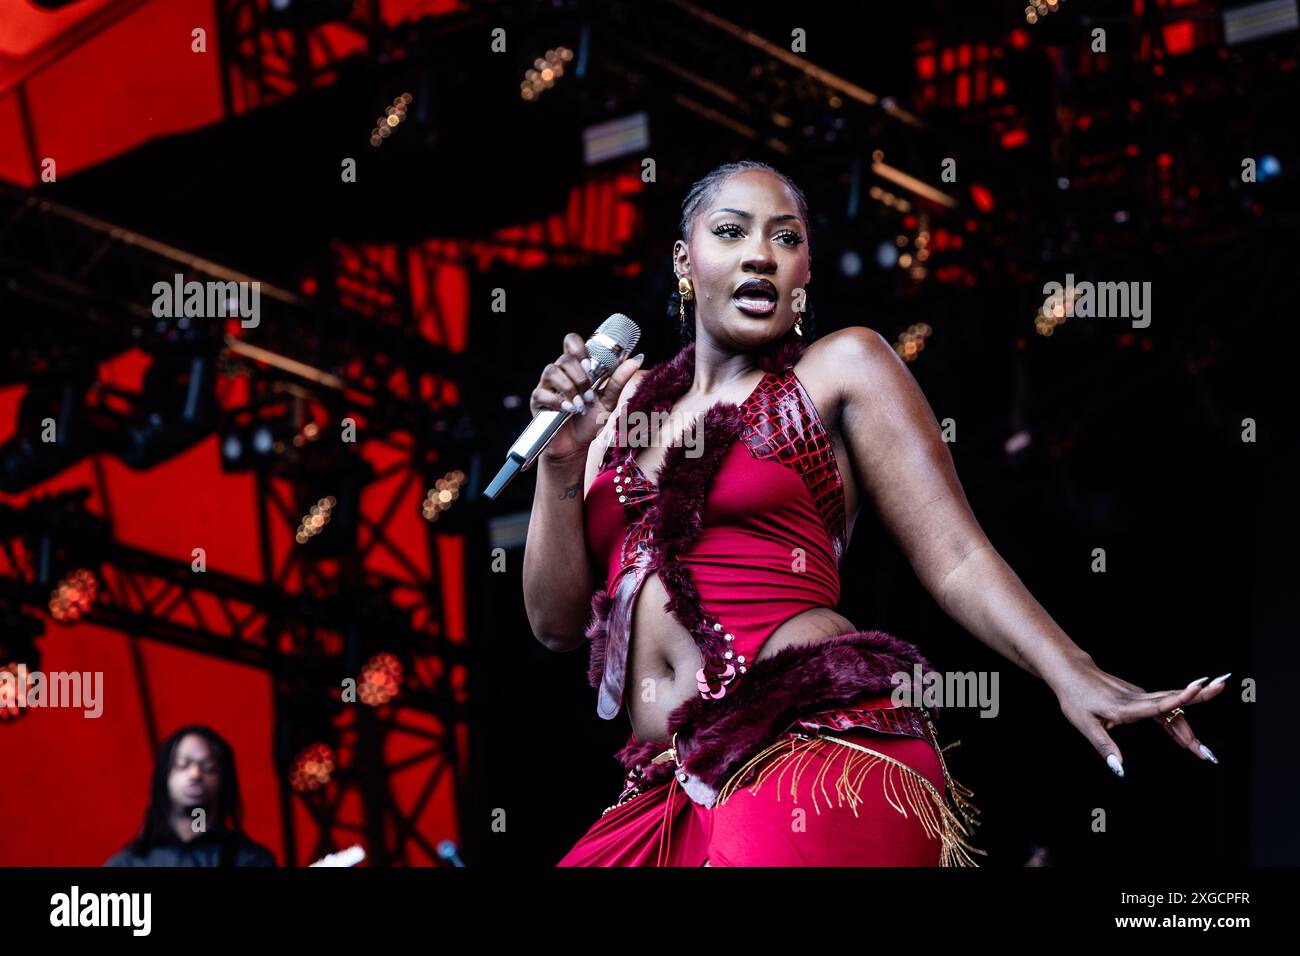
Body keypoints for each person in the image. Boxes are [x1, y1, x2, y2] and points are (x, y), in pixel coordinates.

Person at [523, 160, 1227, 867]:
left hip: (808, 741)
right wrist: (559, 459)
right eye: (731, 232)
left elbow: (957, 555)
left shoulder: (840, 368)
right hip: (665, 786)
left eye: (786, 238)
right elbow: (555, 625)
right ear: (685, 259)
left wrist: (1069, 669)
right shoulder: (616, 416)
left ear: (805, 271)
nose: (759, 254)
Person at [104, 724, 277, 867]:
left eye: (208, 767)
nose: (195, 774)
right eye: (182, 765)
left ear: (225, 781)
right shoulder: (128, 863)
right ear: (164, 779)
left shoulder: (250, 860)